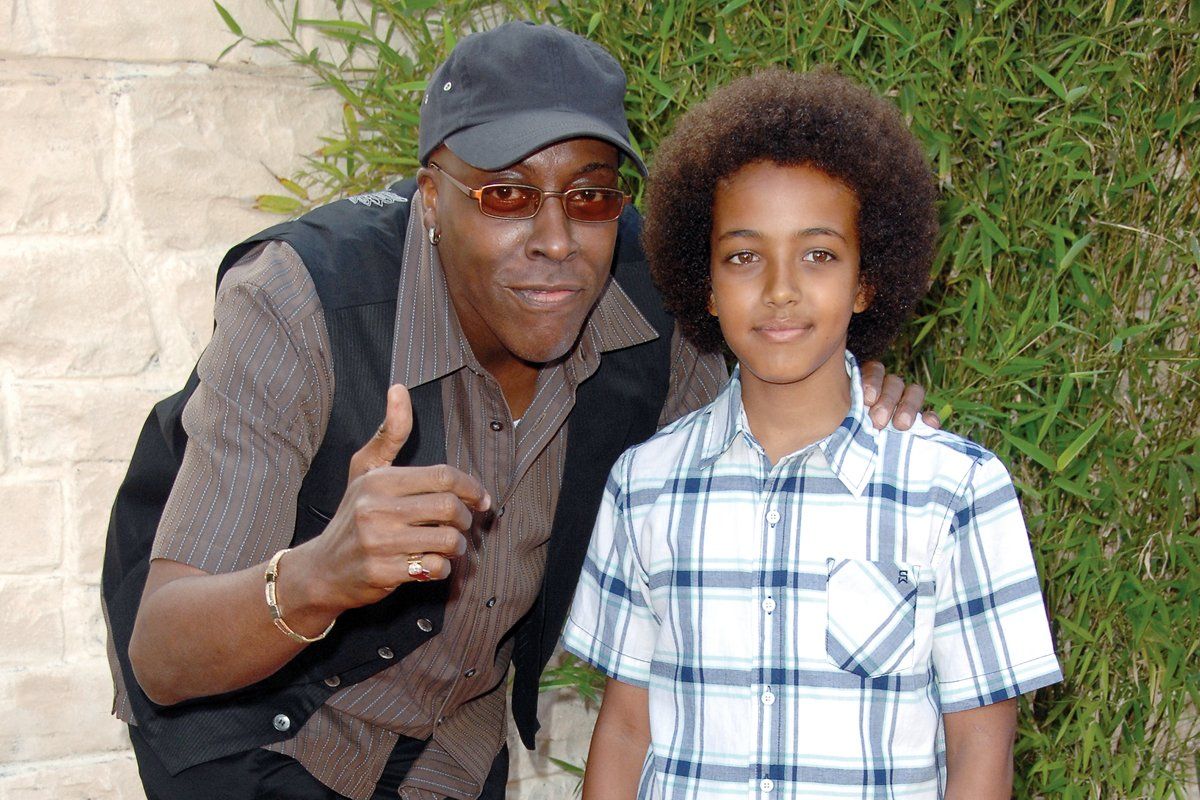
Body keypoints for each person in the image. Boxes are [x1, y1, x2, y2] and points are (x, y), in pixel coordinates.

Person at [101, 24, 933, 800]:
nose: (556, 239)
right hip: (254, 724)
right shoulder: (302, 300)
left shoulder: (657, 302)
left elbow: (756, 446)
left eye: (591, 196)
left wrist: (846, 393)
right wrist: (320, 575)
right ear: (432, 197)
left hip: (446, 743)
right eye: (505, 194)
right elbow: (165, 652)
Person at [563, 68, 1063, 800]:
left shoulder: (956, 491)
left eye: (819, 254)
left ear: (867, 279)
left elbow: (980, 749)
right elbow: (625, 730)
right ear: (705, 282)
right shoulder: (644, 486)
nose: (780, 289)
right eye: (743, 256)